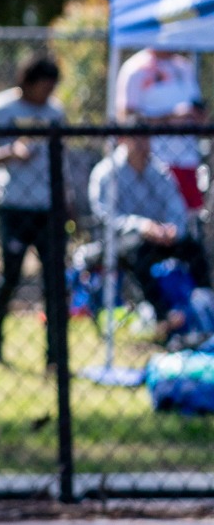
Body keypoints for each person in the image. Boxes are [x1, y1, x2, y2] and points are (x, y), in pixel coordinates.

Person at [0, 55, 65, 367]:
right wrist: (11, 152)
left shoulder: (55, 112)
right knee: (10, 278)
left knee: (54, 283)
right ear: (27, 82)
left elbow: (63, 163)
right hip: (14, 206)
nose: (47, 95)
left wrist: (70, 201)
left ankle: (55, 357)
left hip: (49, 208)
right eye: (43, 87)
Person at [89, 133, 214, 348]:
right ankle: (164, 318)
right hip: (120, 240)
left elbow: (176, 207)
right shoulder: (107, 172)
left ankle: (206, 305)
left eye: (145, 139)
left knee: (192, 247)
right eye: (136, 139)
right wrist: (142, 226)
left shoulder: (159, 170)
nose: (142, 145)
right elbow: (105, 215)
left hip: (160, 237)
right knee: (138, 254)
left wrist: (172, 229)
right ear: (123, 140)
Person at [115, 46, 206, 211]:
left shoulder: (185, 67)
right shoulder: (135, 68)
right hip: (153, 160)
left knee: (188, 220)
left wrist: (196, 116)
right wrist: (170, 117)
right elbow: (127, 119)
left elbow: (198, 111)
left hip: (186, 159)